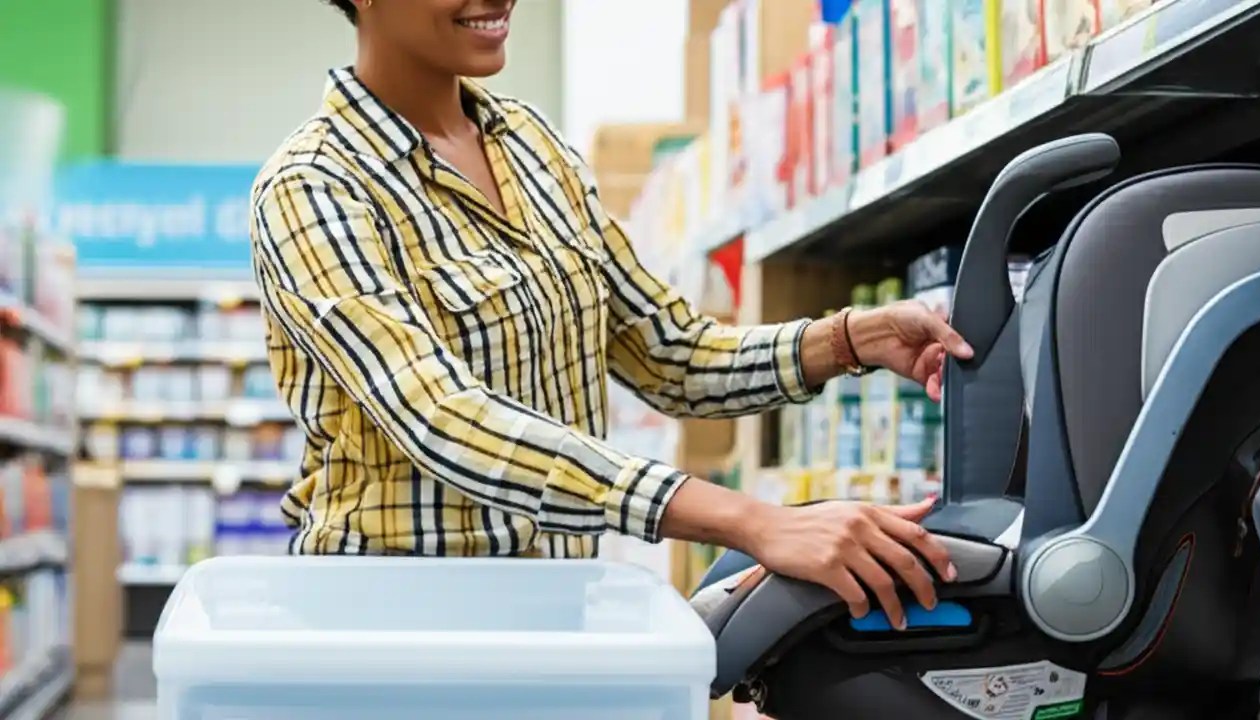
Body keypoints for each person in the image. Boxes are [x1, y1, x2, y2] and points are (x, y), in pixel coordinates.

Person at [250, 0, 975, 632]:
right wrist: (756, 521)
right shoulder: (312, 185)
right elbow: (440, 418)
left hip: (556, 609)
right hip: (393, 627)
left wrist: (851, 339)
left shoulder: (534, 149)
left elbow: (670, 353)